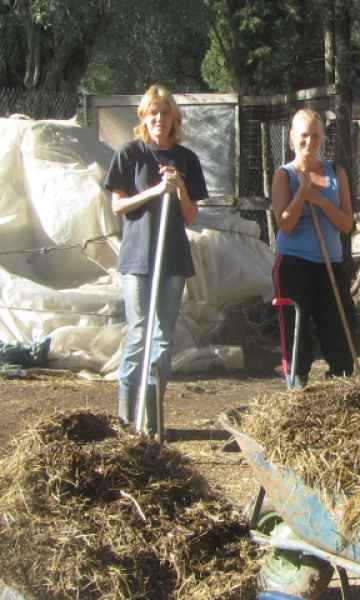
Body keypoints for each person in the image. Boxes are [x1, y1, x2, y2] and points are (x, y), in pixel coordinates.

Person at [104, 85, 207, 431]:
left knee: (163, 337)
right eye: (153, 112)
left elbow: (191, 217)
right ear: (144, 117)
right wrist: (153, 191)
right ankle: (124, 420)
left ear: (174, 117)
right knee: (138, 333)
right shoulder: (130, 154)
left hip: (173, 259)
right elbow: (118, 205)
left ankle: (152, 420)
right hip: (137, 258)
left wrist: (178, 188)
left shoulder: (186, 159)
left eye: (165, 112)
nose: (159, 118)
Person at [271, 108, 355, 389]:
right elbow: (285, 224)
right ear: (293, 137)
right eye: (304, 135)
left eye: (315, 135)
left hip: (330, 262)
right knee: (297, 329)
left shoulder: (335, 173)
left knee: (337, 326)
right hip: (294, 263)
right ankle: (297, 384)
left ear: (322, 138)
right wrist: (302, 196)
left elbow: (346, 224)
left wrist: (320, 202)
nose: (310, 141)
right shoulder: (285, 175)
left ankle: (340, 385)